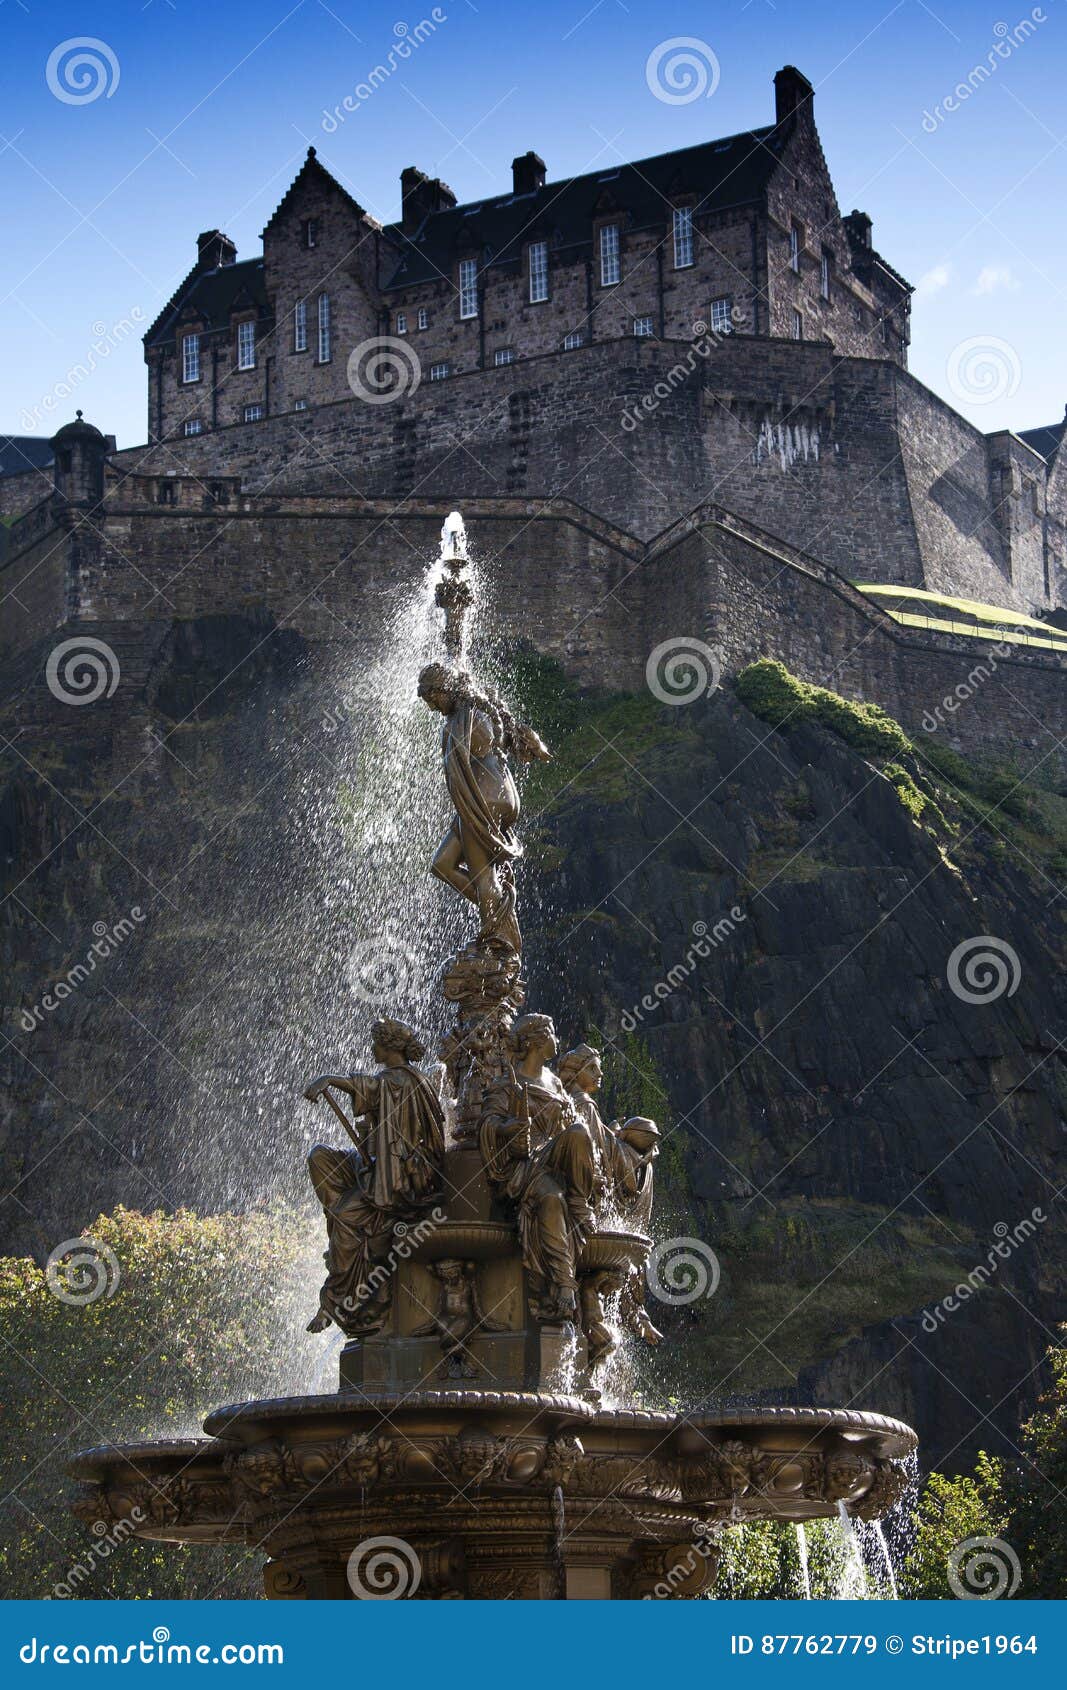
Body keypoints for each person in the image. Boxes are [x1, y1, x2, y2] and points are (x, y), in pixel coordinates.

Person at [303, 1018, 445, 1334]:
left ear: (388, 1045)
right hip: (380, 1169)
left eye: (375, 1043)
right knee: (321, 1157)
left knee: (344, 1216)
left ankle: (335, 1300)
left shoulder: (403, 1081)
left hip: (401, 1183)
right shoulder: (396, 1080)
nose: (372, 1049)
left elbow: (372, 1088)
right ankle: (351, 1223)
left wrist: (330, 1080)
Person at [417, 663, 548, 956]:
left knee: (483, 877)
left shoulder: (466, 716)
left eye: (432, 699)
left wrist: (455, 624)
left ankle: (498, 943)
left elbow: (456, 663)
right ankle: (501, 916)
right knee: (442, 864)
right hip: (495, 797)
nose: (432, 707)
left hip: (484, 801)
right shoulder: (479, 711)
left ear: (445, 690)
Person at [479, 1014, 600, 1321]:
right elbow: (488, 1124)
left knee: (578, 1132)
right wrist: (512, 1127)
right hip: (523, 1164)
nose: (557, 1041)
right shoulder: (507, 1082)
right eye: (552, 1034)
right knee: (549, 1196)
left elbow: (571, 1127)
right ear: (536, 1041)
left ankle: (578, 1198)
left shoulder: (556, 1083)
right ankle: (563, 1283)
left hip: (552, 1154)